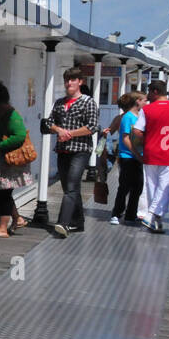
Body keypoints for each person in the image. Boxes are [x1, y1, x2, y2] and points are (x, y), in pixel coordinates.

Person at [132, 79, 169, 233]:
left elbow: (137, 131)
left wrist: (149, 136)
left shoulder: (147, 110)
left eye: (150, 92)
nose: (149, 96)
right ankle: (152, 216)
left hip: (151, 152)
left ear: (155, 92)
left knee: (151, 186)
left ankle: (154, 220)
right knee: (165, 187)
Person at [48, 67, 99, 238]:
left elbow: (92, 127)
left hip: (80, 150)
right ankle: (79, 222)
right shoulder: (60, 102)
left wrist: (69, 133)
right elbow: (49, 122)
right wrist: (58, 130)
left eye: (73, 80)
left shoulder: (88, 102)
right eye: (67, 80)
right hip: (63, 150)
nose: (69, 83)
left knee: (70, 187)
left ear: (80, 82)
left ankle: (63, 223)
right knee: (70, 187)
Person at [0, 82, 32, 237]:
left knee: (3, 193)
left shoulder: (12, 115)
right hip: (0, 161)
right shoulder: (2, 113)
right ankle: (18, 219)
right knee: (2, 192)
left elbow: (20, 136)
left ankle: (3, 228)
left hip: (7, 163)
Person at [108, 91, 144, 226]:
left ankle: (131, 214)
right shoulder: (127, 117)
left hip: (137, 156)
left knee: (137, 186)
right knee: (125, 186)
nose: (146, 103)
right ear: (137, 101)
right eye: (144, 100)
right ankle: (116, 213)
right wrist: (137, 154)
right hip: (128, 156)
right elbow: (125, 138)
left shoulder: (139, 116)